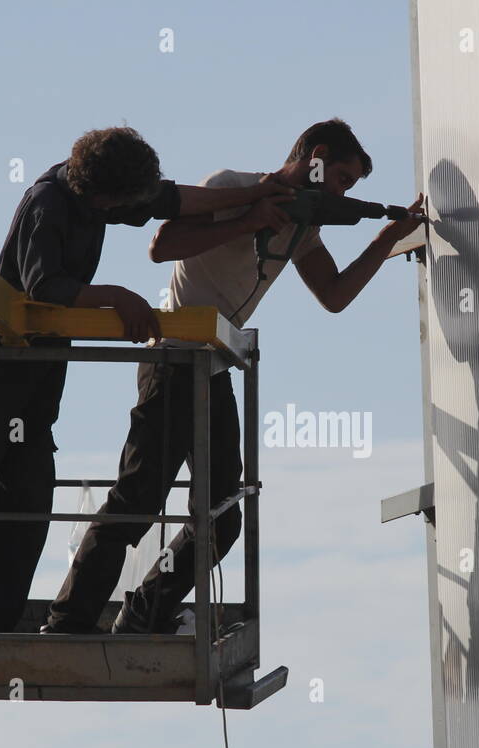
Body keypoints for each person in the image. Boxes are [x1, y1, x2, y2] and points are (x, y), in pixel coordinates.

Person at [0, 127, 290, 633]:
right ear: (103, 195)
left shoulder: (95, 195)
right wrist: (117, 296)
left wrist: (256, 193)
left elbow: (172, 199)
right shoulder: (49, 203)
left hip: (35, 389)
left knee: (21, 508)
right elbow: (44, 286)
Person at [43, 118, 424, 634]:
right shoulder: (229, 188)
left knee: (221, 517)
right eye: (340, 179)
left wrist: (386, 238)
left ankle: (143, 614)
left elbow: (334, 295)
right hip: (173, 358)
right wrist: (249, 219)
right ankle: (68, 621)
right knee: (138, 500)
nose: (341, 193)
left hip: (211, 365)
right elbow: (163, 244)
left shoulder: (301, 225)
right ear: (315, 156)